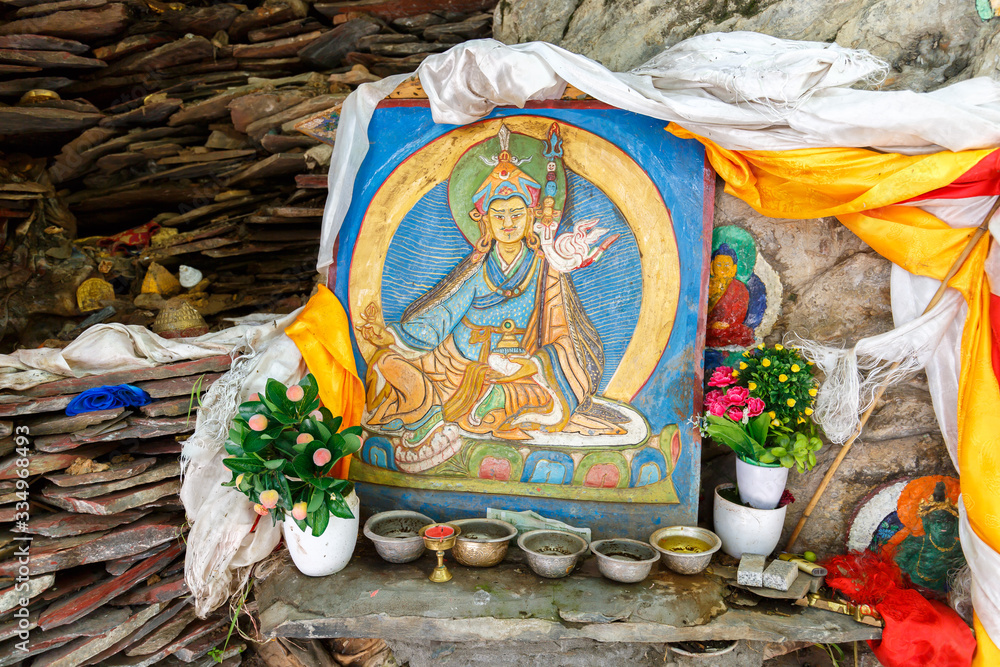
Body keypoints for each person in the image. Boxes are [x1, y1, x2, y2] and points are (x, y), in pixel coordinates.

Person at [356, 124, 632, 473]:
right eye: (498, 215)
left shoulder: (545, 270)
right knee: (386, 362)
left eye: (517, 213)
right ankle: (429, 419)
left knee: (513, 395)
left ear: (532, 217)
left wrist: (534, 366)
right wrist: (391, 338)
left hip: (514, 374)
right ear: (484, 220)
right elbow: (442, 315)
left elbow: (565, 338)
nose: (508, 223)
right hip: (454, 367)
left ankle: (454, 413)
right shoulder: (477, 269)